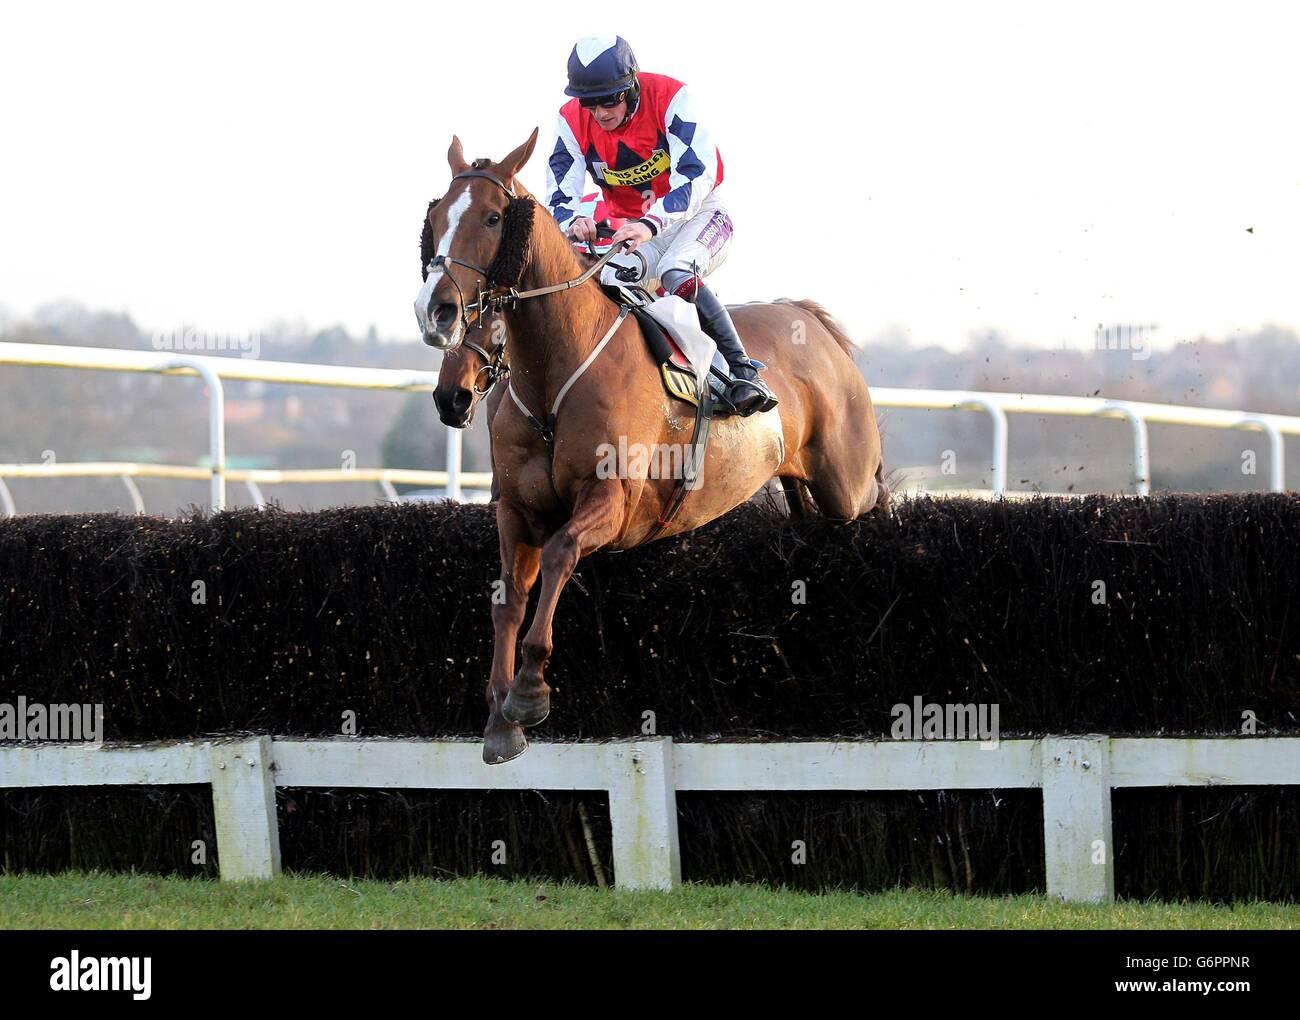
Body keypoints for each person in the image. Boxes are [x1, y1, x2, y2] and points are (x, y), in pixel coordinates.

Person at [543, 35, 777, 416]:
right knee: (613, 278)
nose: (599, 113)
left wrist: (650, 225)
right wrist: (573, 221)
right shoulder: (570, 120)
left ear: (632, 84)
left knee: (674, 270)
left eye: (610, 99)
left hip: (700, 214)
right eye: (589, 102)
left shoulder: (671, 97)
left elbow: (695, 175)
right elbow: (559, 191)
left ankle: (742, 370)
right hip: (637, 230)